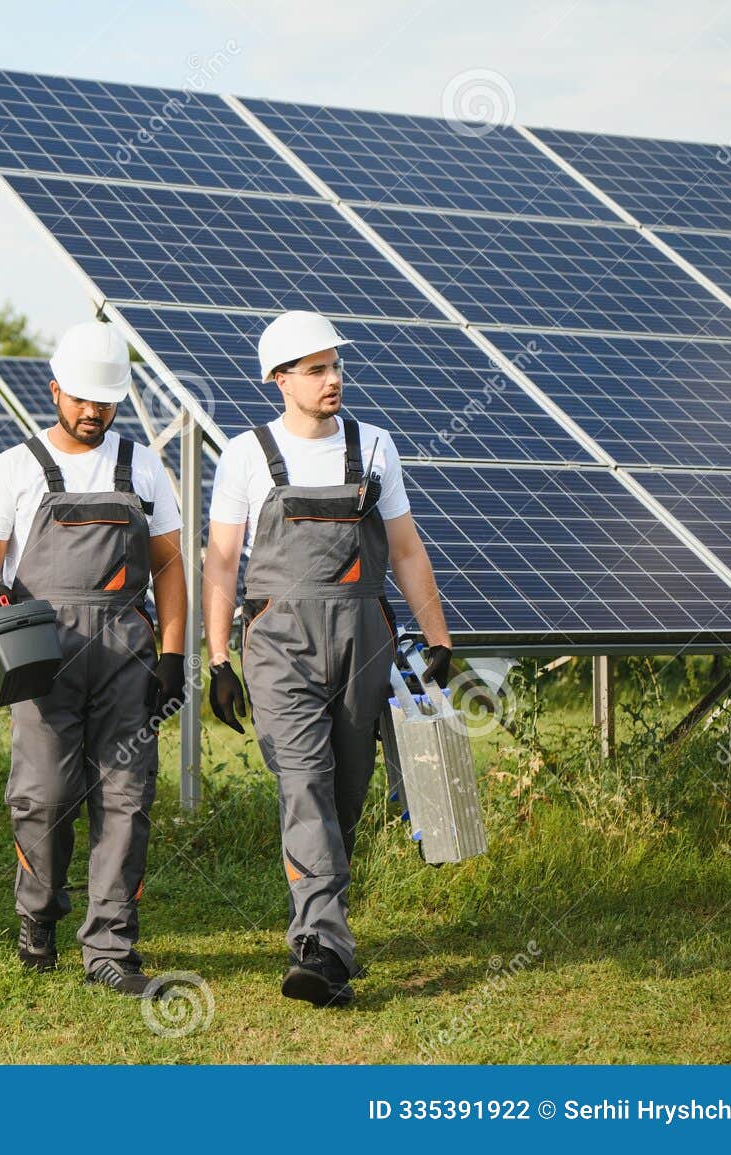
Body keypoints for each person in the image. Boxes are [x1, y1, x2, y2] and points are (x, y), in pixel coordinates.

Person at [202, 310, 452, 1008]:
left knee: (344, 795)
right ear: (279, 380)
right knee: (306, 783)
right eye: (315, 369)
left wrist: (439, 638)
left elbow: (403, 547)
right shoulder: (246, 453)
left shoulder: (374, 446)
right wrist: (218, 657)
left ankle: (321, 930)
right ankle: (320, 949)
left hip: (363, 636)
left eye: (335, 365)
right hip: (279, 641)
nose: (332, 378)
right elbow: (221, 560)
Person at [0, 321, 188, 997]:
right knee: (46, 797)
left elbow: (170, 563)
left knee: (126, 797)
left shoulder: (143, 466)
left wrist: (175, 656)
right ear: (55, 388)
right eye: (83, 398)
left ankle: (111, 947)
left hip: (127, 652)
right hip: (42, 650)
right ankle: (38, 914)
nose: (95, 411)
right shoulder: (15, 466)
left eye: (107, 400)